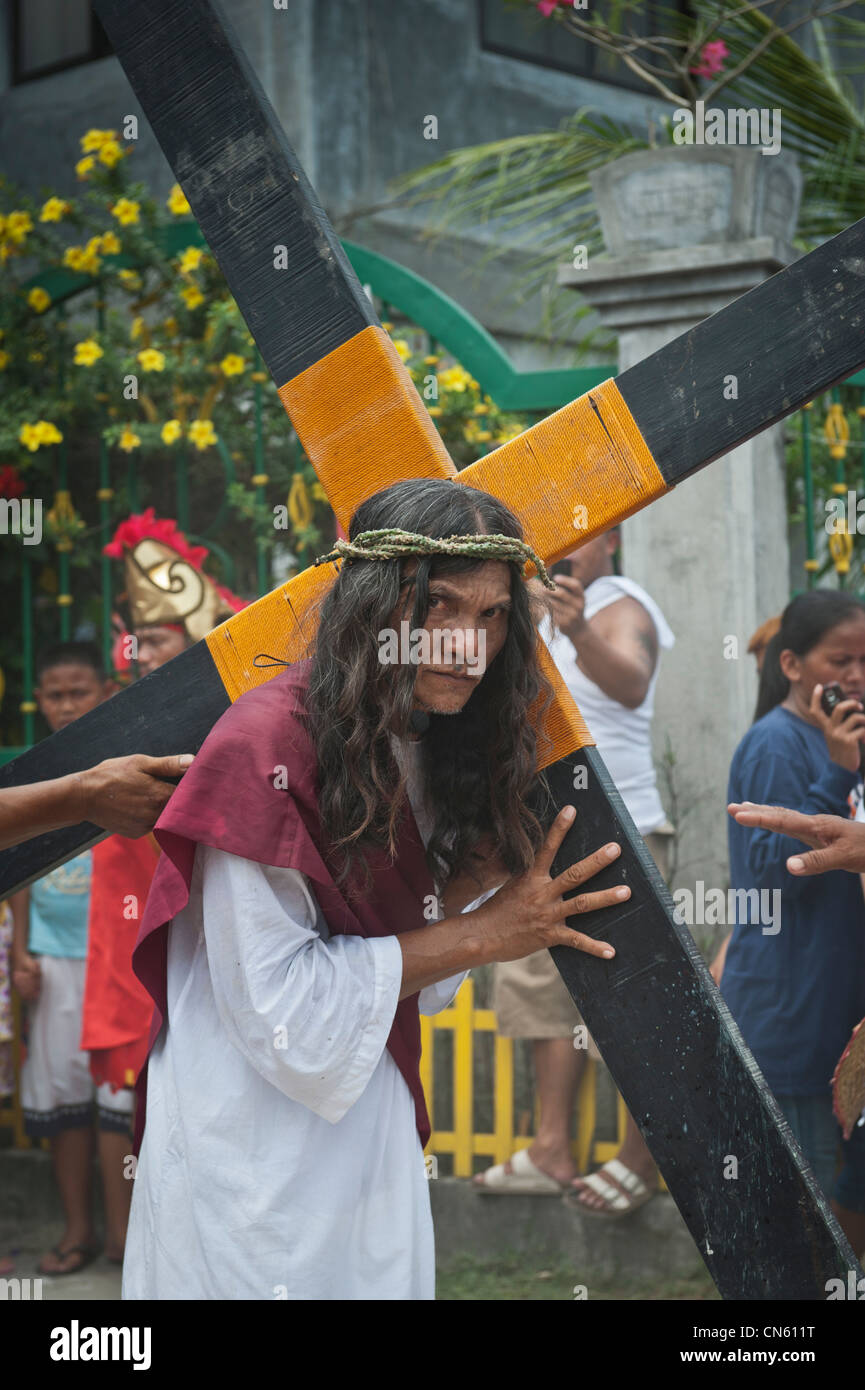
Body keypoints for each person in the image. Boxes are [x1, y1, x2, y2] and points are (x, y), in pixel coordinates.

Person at [121, 478, 631, 1300]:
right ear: (371, 605)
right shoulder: (264, 745)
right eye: (438, 606)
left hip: (367, 1128)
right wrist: (489, 931)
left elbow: (401, 982)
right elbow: (284, 1019)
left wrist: (471, 883)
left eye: (492, 615)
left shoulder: (428, 738)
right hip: (247, 1152)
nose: (466, 645)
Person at [474, 526, 674, 1216]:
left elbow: (631, 683)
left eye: (582, 534)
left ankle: (641, 1158)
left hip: (621, 834)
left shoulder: (623, 603)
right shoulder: (525, 612)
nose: (565, 548)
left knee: (633, 993)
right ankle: (551, 1147)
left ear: (613, 535)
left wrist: (579, 628)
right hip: (539, 835)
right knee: (539, 991)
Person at [79, 510, 246, 1265]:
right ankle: (133, 1252)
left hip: (212, 937)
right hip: (129, 935)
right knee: (127, 1100)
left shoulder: (235, 719)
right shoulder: (119, 724)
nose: (138, 654)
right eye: (135, 640)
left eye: (155, 639)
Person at [723, 591, 865, 1255]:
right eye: (840, 660)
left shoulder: (844, 739)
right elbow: (773, 877)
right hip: (793, 1022)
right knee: (806, 1229)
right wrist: (834, 773)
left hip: (837, 1020)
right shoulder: (775, 744)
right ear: (791, 664)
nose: (856, 676)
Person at [10, 642, 119, 1275]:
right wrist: (21, 951)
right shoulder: (32, 773)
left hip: (118, 963)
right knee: (64, 1103)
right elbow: (20, 869)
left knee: (122, 1102)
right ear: (39, 702)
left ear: (107, 692)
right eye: (55, 695)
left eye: (79, 692)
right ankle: (79, 1232)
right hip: (53, 962)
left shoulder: (127, 758)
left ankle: (126, 1238)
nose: (67, 705)